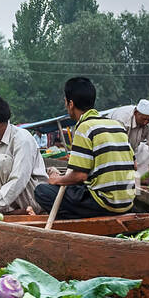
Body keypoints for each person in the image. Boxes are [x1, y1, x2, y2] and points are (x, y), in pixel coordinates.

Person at [34, 77, 136, 218]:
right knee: (73, 188)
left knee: (42, 191)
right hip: (127, 203)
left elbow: (79, 176)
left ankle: (82, 221)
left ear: (71, 104)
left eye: (65, 102)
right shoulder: (116, 125)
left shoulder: (84, 127)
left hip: (105, 204)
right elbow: (134, 165)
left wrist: (56, 179)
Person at [104, 98, 149, 177]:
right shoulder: (121, 118)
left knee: (145, 151)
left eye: (148, 120)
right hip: (110, 145)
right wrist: (132, 161)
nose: (145, 122)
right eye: (143, 119)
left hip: (131, 147)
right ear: (136, 113)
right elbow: (118, 144)